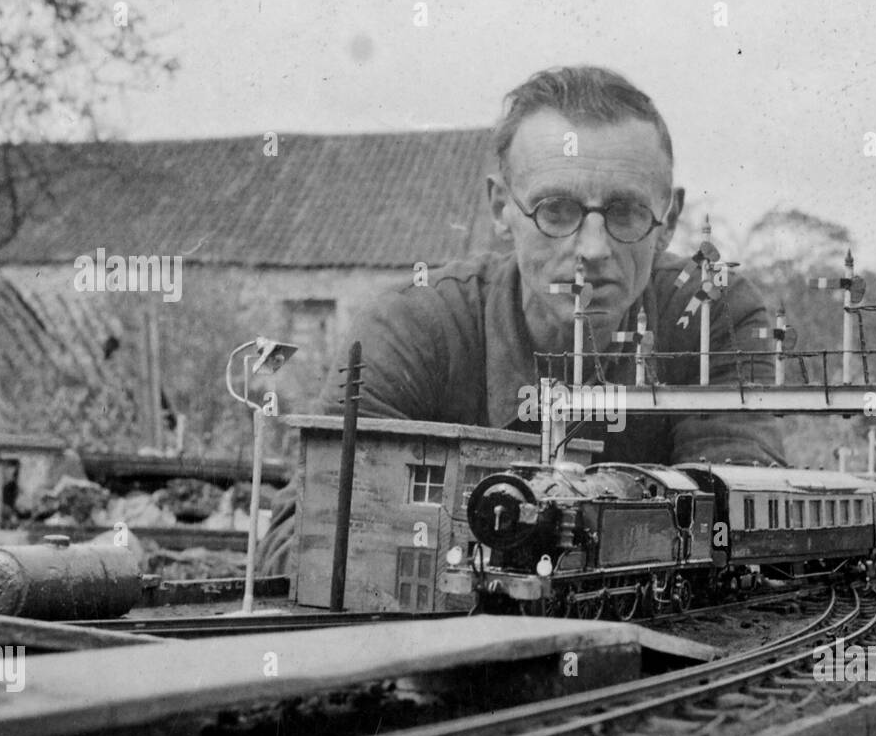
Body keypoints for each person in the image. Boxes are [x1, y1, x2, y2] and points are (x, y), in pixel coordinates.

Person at [259, 65, 787, 573]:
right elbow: (298, 542)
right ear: (499, 208)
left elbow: (745, 525)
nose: (593, 248)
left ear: (668, 218)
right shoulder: (411, 329)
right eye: (556, 211)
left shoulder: (711, 318)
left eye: (625, 212)